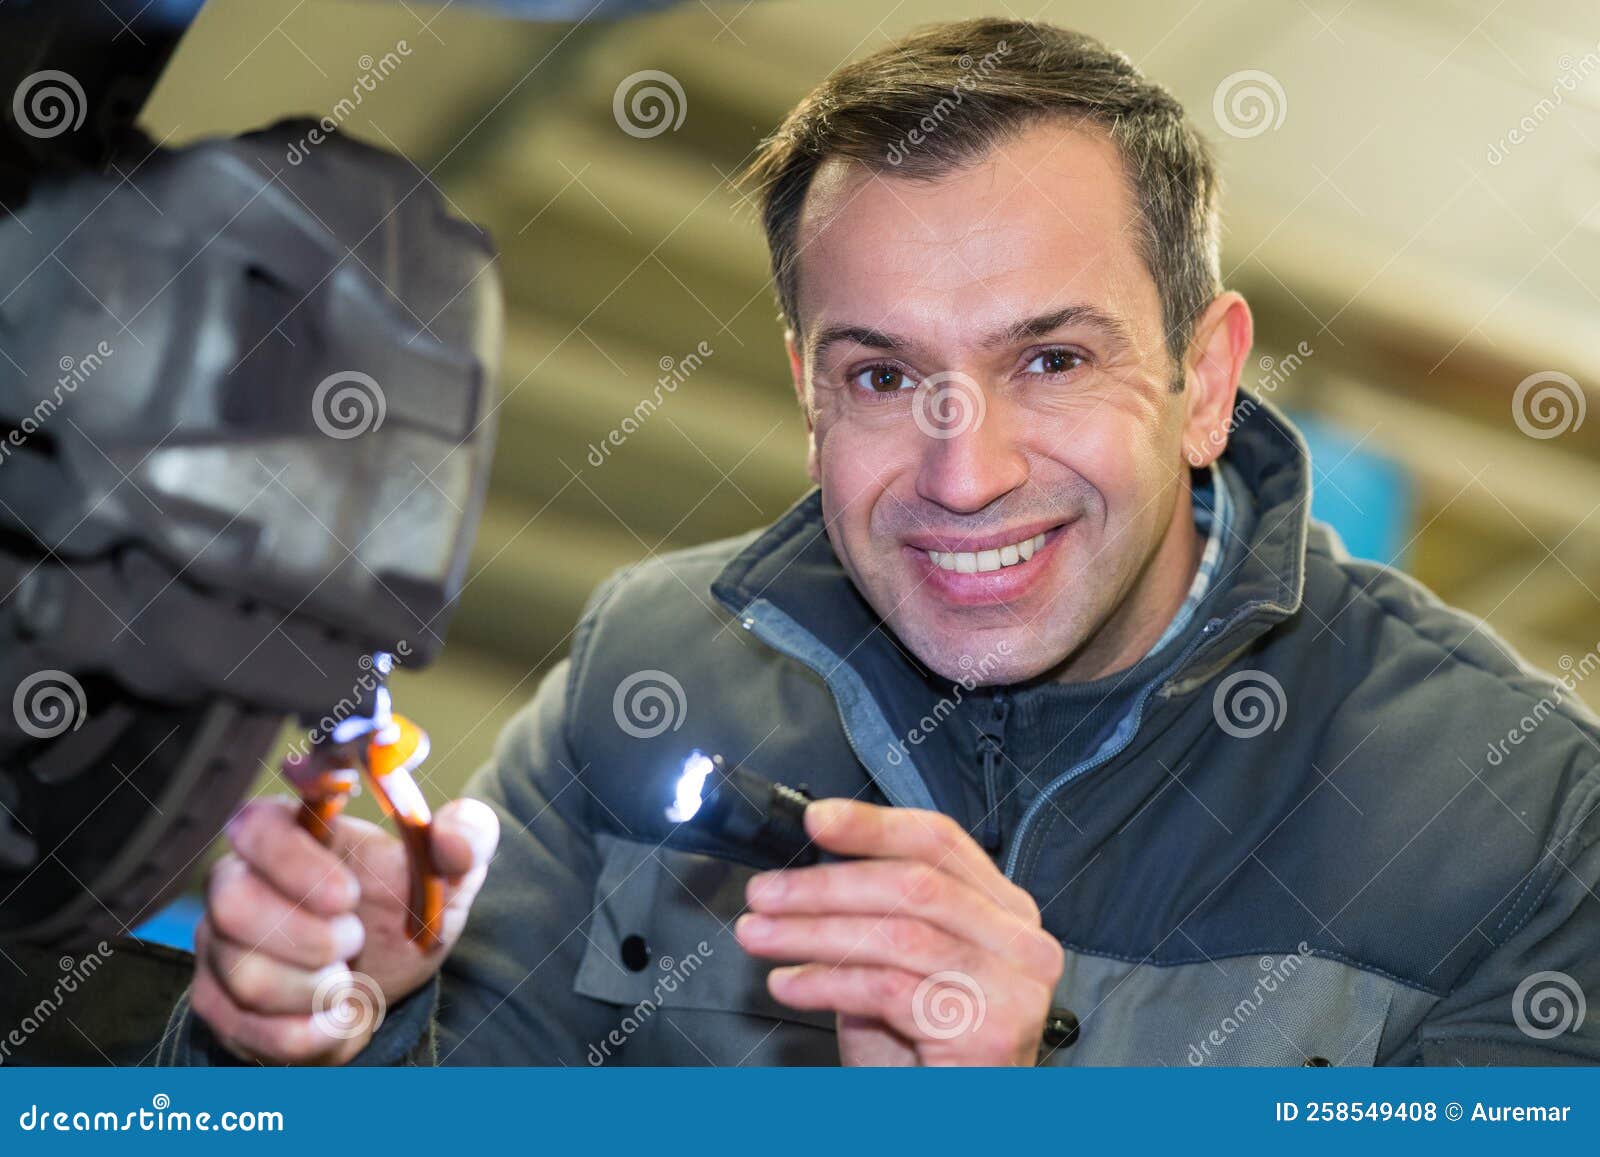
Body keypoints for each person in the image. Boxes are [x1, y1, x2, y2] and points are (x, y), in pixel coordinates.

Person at [160, 17, 1599, 1067]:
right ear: (806, 394)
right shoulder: (641, 678)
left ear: (1205, 382)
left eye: (1050, 360)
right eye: (881, 376)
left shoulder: (1520, 817)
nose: (962, 474)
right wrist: (318, 1045)